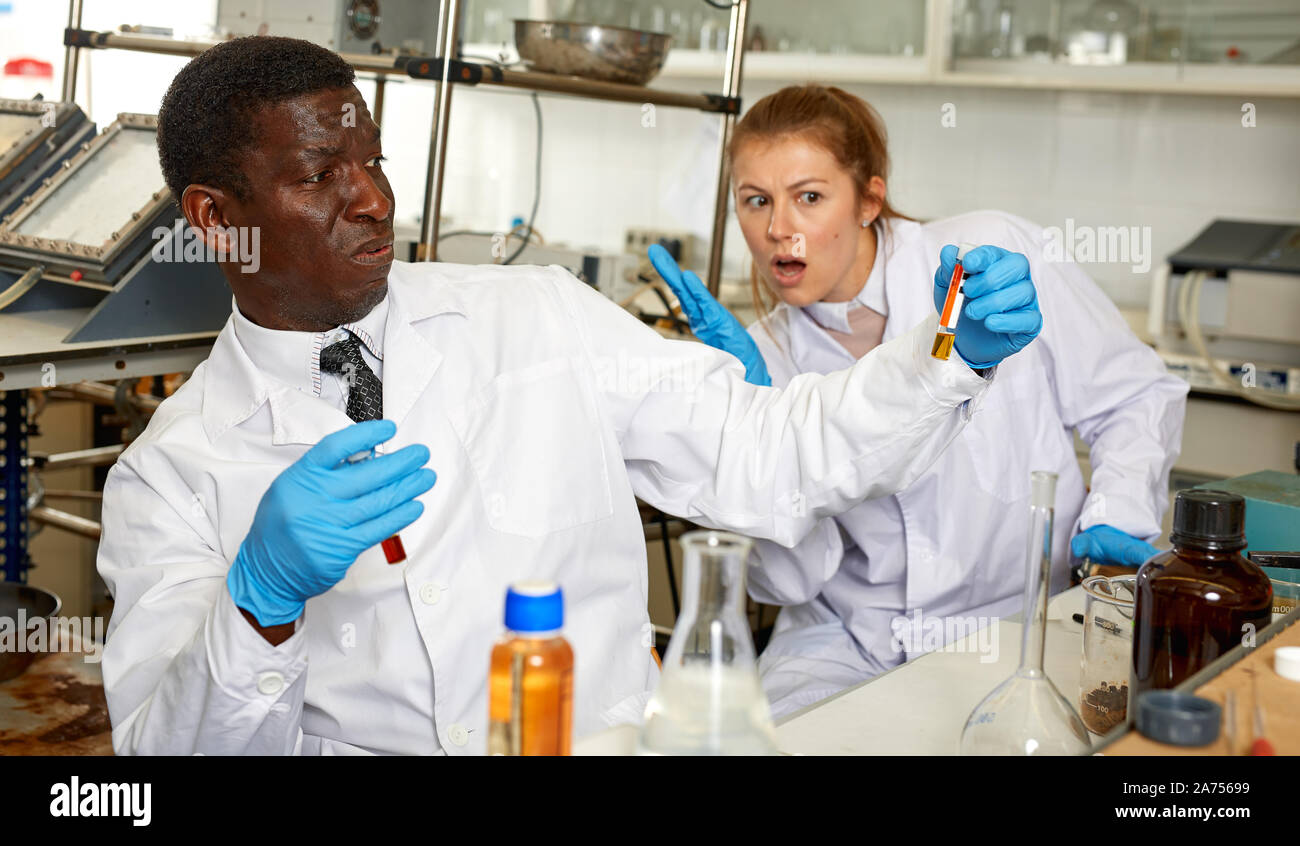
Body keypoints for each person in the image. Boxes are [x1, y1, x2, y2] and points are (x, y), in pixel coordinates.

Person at [96, 39, 1043, 756]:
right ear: (216, 218)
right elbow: (166, 752)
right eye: (318, 176)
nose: (374, 200)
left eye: (374, 162)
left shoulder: (537, 314)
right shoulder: (171, 474)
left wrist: (945, 361)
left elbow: (770, 450)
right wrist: (258, 607)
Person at [649, 84, 1187, 718]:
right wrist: (755, 435)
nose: (777, 230)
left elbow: (1133, 394)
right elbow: (793, 578)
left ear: (869, 200)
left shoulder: (988, 265)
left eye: (809, 197)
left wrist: (1117, 511)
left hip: (1020, 622)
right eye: (756, 200)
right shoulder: (759, 356)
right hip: (849, 638)